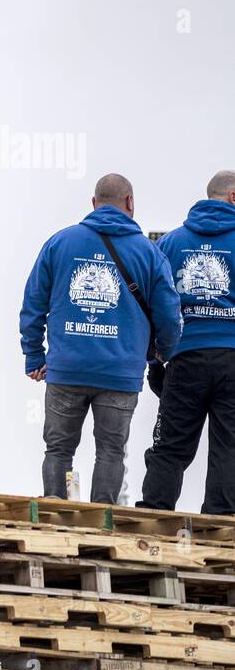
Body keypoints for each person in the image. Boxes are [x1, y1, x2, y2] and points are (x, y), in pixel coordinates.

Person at [19, 174, 181, 503]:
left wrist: (34, 356)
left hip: (67, 370)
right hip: (120, 374)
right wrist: (163, 353)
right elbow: (168, 313)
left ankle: (56, 513)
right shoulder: (149, 253)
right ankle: (102, 521)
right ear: (130, 203)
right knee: (110, 452)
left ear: (94, 204)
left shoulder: (59, 243)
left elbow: (33, 304)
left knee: (59, 450)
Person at [140, 172, 235, 514]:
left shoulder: (170, 243)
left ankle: (153, 513)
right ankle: (221, 521)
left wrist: (154, 361)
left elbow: (151, 306)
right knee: (229, 446)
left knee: (170, 445)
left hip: (185, 358)